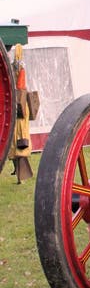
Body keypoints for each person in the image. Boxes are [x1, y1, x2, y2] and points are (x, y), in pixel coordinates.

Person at [8, 43, 33, 184]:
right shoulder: (17, 68)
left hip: (20, 110)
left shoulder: (18, 69)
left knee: (19, 145)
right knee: (16, 145)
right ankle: (18, 172)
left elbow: (20, 88)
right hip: (19, 110)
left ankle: (21, 175)